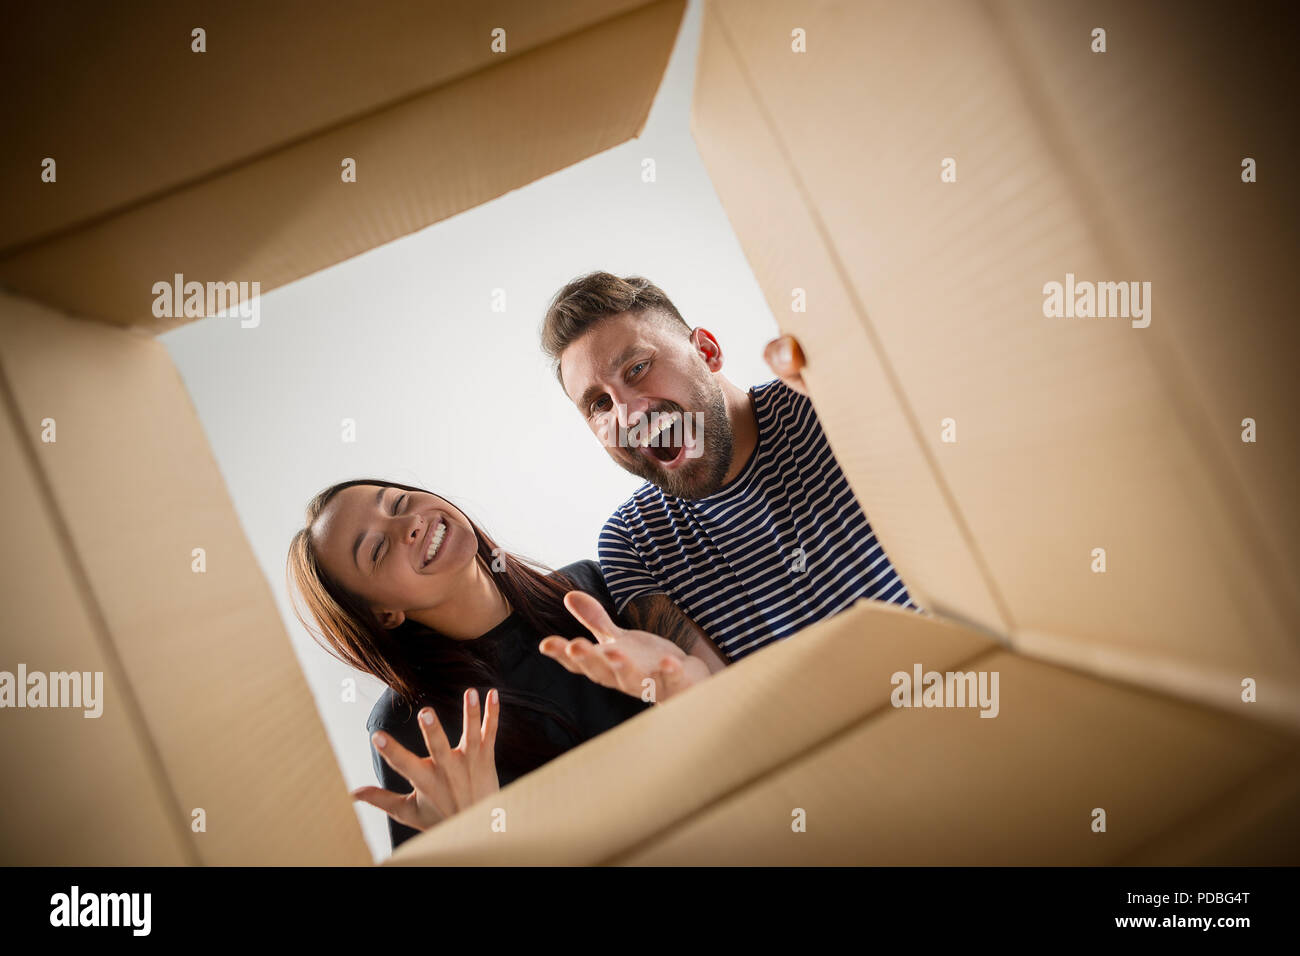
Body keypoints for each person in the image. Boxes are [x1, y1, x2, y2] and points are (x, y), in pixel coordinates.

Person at [286, 478, 711, 851]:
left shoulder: (591, 587)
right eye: (378, 549)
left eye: (398, 503)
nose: (409, 524)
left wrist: (681, 689)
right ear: (383, 614)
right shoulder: (412, 729)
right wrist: (478, 840)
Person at [537, 271, 921, 679]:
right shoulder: (633, 542)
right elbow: (714, 690)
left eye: (637, 369)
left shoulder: (822, 402)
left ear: (707, 350)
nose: (628, 414)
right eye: (599, 404)